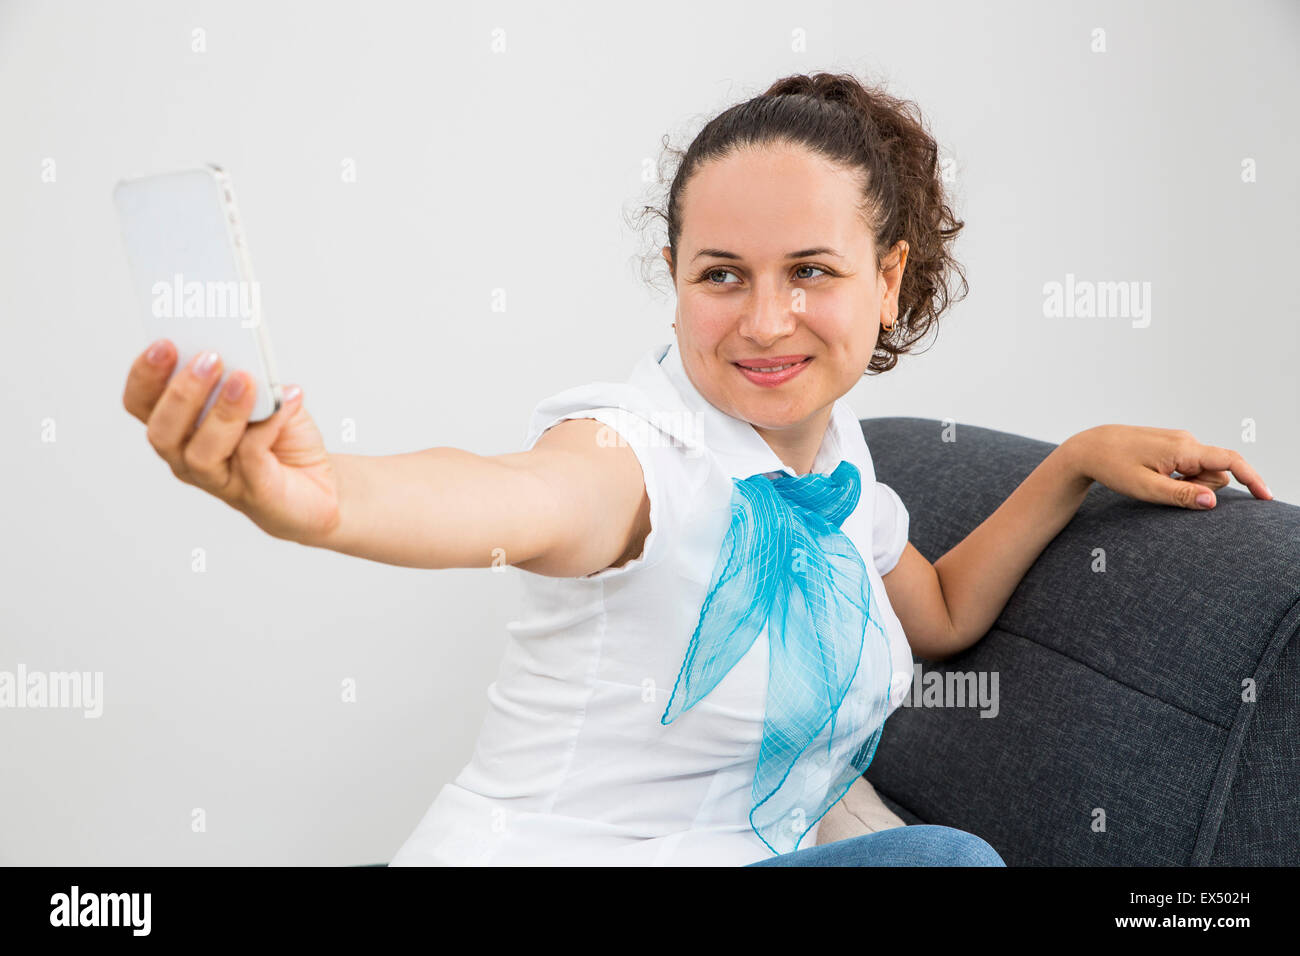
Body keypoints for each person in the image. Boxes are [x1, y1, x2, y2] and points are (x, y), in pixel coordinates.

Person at [120, 71, 1272, 867]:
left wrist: (1073, 463)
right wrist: (327, 502)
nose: (765, 320)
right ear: (673, 274)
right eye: (721, 274)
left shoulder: (837, 458)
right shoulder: (637, 449)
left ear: (888, 274)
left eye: (810, 270)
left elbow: (940, 612)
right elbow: (515, 496)